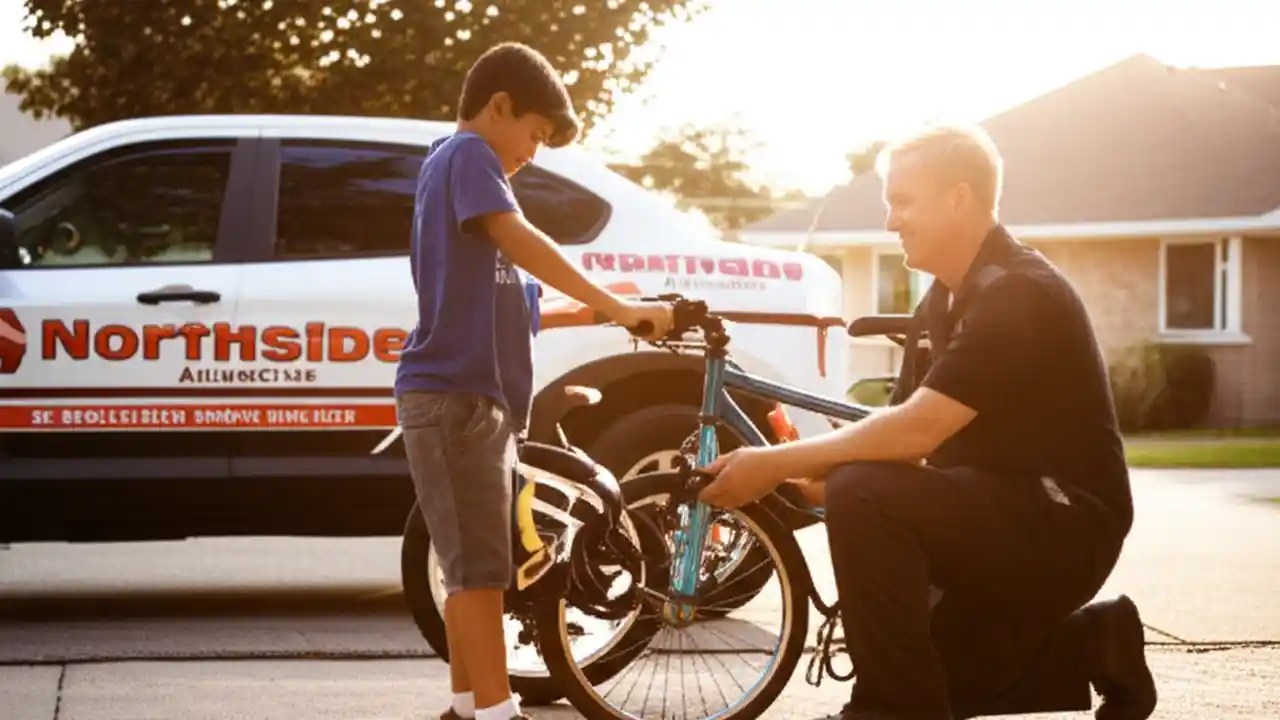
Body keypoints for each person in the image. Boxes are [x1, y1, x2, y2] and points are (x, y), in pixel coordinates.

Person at [700, 124, 1157, 720]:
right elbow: (900, 440)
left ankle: (891, 710)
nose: (891, 221)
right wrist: (796, 477)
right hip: (997, 514)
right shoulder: (942, 300)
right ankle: (1101, 642)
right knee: (943, 678)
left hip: (1064, 523)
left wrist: (780, 462)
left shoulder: (1019, 294)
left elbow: (917, 430)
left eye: (903, 201)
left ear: (959, 198)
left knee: (864, 493)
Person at [393, 42, 673, 720]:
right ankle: (497, 710)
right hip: (456, 396)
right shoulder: (465, 159)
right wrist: (614, 302)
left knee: (472, 569)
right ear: (498, 108)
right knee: (481, 572)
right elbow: (522, 240)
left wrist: (613, 310)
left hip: (471, 397)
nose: (535, 153)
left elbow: (515, 295)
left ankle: (467, 707)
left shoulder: (461, 179)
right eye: (535, 134)